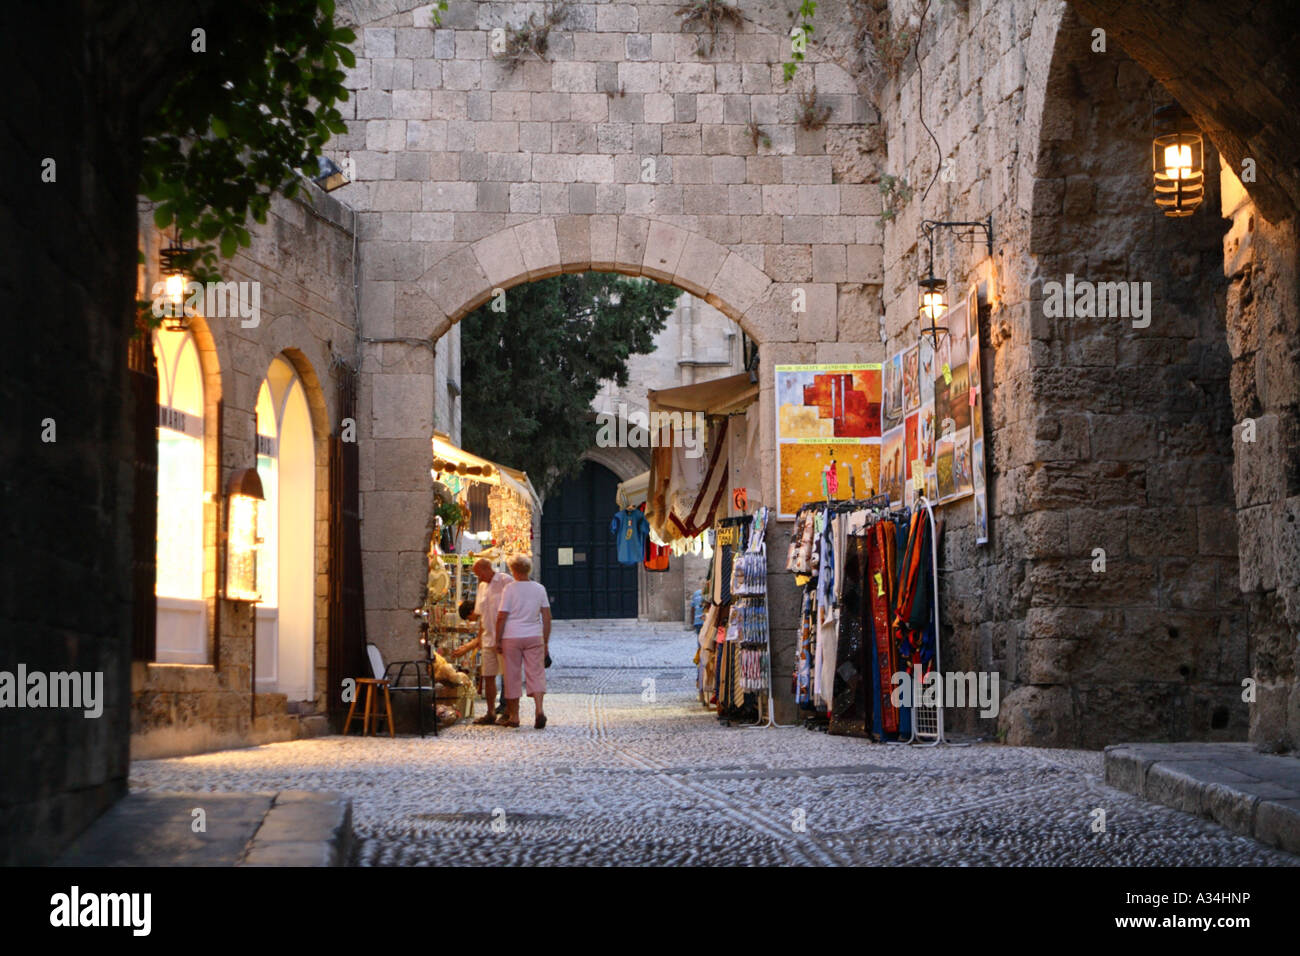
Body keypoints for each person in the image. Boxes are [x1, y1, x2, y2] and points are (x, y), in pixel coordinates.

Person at [448, 557, 512, 725]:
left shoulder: (506, 581)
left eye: (478, 574)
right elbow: (482, 615)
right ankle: (490, 713)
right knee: (488, 675)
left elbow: (514, 607)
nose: (478, 578)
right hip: (489, 638)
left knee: (508, 675)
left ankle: (510, 712)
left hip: (506, 636)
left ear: (486, 569)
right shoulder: (482, 586)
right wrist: (477, 640)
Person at [495, 554, 551, 729]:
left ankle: (514, 716)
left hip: (511, 636)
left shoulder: (509, 589)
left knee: (512, 675)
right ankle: (539, 710)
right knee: (536, 673)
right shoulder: (539, 589)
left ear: (513, 570)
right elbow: (547, 617)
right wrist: (545, 641)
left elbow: (502, 616)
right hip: (534, 635)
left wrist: (497, 639)